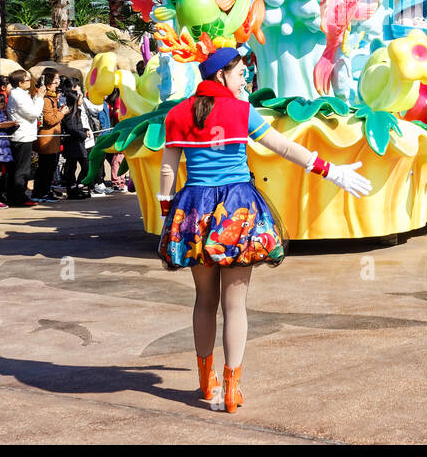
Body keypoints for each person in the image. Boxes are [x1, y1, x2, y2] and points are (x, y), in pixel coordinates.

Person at [158, 47, 371, 412]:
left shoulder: (178, 114)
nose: (245, 78)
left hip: (195, 209)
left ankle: (205, 382)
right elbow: (285, 147)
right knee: (235, 304)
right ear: (221, 75)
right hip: (238, 211)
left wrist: (169, 209)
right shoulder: (242, 112)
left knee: (204, 301)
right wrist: (330, 170)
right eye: (240, 71)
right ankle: (231, 388)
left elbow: (167, 169)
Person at [7, 69, 43, 207]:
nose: (30, 82)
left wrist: (35, 98)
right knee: (22, 169)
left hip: (25, 135)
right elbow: (33, 113)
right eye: (27, 80)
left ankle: (16, 196)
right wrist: (39, 97)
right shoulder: (18, 95)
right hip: (22, 136)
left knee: (20, 168)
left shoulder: (21, 94)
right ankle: (19, 197)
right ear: (20, 83)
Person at [33, 69, 66, 202]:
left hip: (52, 138)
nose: (58, 83)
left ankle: (44, 191)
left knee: (50, 166)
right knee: (46, 167)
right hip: (47, 139)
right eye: (55, 80)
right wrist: (62, 113)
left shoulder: (52, 97)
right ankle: (41, 193)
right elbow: (49, 120)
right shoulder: (46, 99)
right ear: (47, 84)